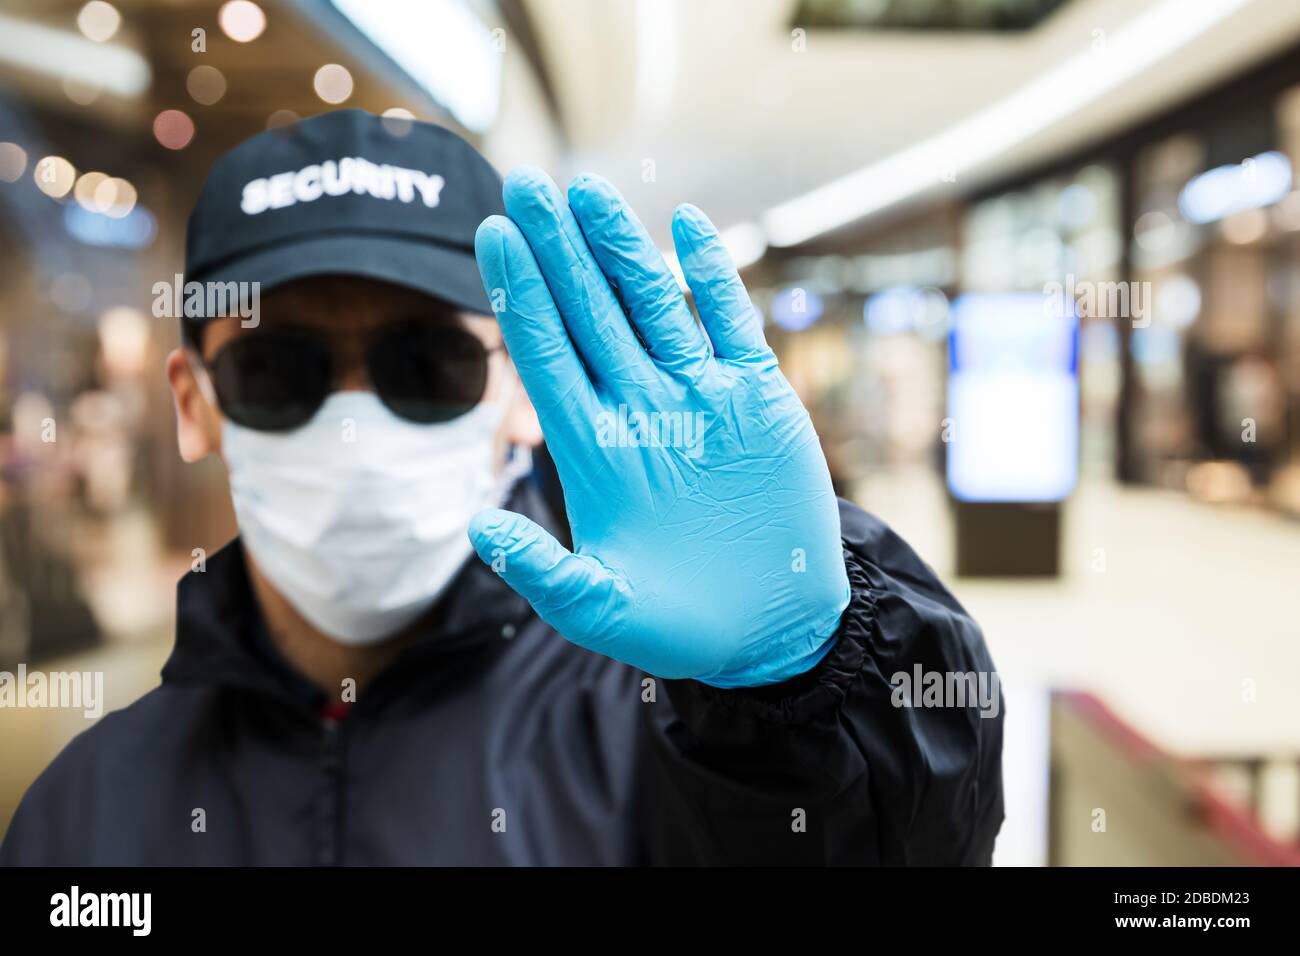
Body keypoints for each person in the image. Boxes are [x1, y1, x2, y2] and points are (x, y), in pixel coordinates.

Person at [0, 109, 1003, 865]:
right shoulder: (78, 816)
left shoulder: (673, 733)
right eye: (281, 369)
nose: (358, 424)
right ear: (194, 401)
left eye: (427, 363)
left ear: (521, 386)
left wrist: (802, 688)